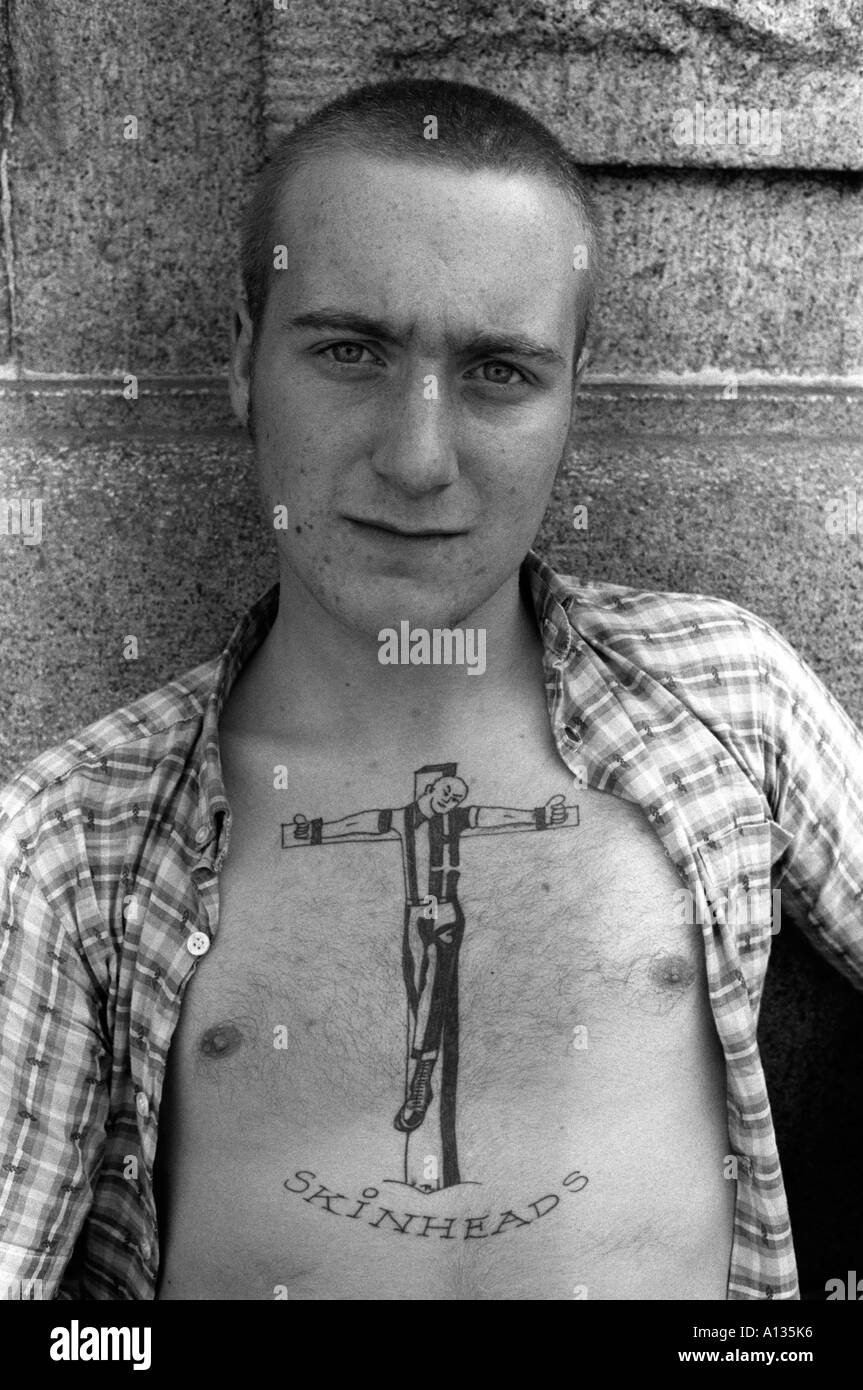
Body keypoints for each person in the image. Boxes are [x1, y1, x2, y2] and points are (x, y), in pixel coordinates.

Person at [1, 77, 861, 1303]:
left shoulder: (728, 698)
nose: (416, 458)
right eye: (349, 351)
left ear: (574, 394)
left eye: (499, 372)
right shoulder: (72, 840)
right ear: (242, 365)